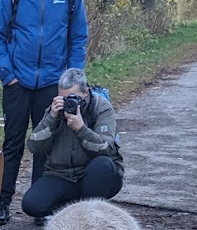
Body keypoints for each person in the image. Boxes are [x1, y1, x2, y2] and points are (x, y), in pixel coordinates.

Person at [0, 0, 89, 226]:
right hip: (18, 84)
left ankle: (40, 206)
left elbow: (78, 39)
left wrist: (72, 82)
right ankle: (2, 203)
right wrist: (8, 76)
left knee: (47, 145)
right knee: (13, 144)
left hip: (52, 85)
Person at [20, 68, 122, 221]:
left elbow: (105, 149)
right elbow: (34, 146)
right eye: (63, 97)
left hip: (92, 173)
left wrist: (80, 128)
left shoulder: (101, 108)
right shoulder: (56, 110)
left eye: (73, 97)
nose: (69, 102)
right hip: (61, 174)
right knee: (32, 204)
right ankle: (72, 209)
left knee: (103, 166)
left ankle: (92, 213)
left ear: (86, 92)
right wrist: (52, 118)